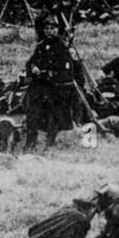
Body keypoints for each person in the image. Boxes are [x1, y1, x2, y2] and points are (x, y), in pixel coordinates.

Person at [23, 15, 78, 150]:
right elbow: (30, 63)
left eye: (52, 28)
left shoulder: (62, 48)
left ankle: (49, 144)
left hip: (55, 88)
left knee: (54, 116)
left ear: (57, 30)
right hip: (39, 86)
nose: (49, 31)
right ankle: (30, 143)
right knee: (32, 114)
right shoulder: (41, 47)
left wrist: (50, 74)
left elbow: (67, 71)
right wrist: (33, 68)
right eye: (47, 28)